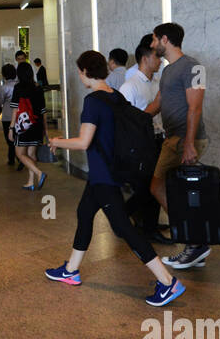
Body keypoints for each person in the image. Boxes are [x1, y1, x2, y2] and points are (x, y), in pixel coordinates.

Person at [45, 51, 184, 306]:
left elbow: (84, 141)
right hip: (110, 171)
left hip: (104, 176)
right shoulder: (115, 96)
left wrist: (57, 141)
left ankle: (167, 282)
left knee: (124, 228)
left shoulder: (93, 101)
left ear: (86, 71)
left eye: (79, 71)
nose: (79, 75)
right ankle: (71, 270)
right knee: (85, 212)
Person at [149, 22, 211, 271]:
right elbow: (159, 102)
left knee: (158, 186)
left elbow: (196, 107)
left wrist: (188, 144)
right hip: (175, 138)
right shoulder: (168, 71)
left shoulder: (194, 66)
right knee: (171, 190)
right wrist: (135, 117)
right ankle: (196, 244)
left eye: (154, 39)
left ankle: (194, 242)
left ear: (165, 39)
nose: (152, 44)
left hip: (184, 140)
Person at [119, 42, 169, 242]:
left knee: (154, 185)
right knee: (146, 187)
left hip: (159, 138)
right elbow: (126, 121)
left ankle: (149, 225)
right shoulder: (129, 86)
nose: (160, 61)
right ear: (145, 57)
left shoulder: (157, 83)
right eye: (157, 57)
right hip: (140, 144)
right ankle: (126, 217)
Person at [11, 60, 47, 190]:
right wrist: (45, 129)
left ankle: (39, 173)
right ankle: (31, 182)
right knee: (31, 154)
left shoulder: (18, 88)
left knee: (20, 154)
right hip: (37, 125)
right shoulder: (38, 88)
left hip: (23, 126)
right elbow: (43, 111)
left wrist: (11, 128)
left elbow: (15, 110)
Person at [0, 63, 19, 169]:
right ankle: (19, 157)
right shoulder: (19, 85)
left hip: (7, 115)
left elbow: (0, 100)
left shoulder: (4, 87)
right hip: (18, 115)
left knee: (9, 138)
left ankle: (12, 158)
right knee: (17, 136)